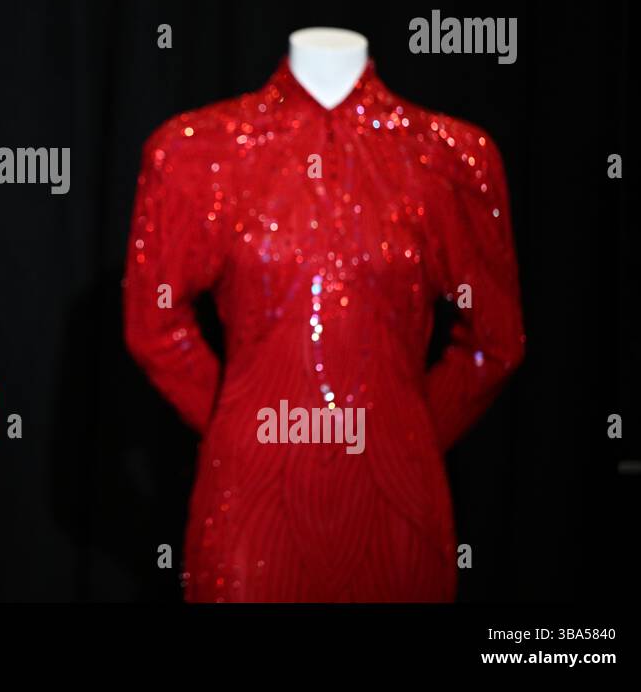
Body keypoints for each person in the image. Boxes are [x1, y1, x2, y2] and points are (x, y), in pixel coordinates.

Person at [122, 52, 525, 601]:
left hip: (399, 509)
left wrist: (402, 436)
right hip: (249, 508)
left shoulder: (451, 155)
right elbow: (153, 327)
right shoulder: (196, 150)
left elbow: (495, 342)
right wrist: (240, 420)